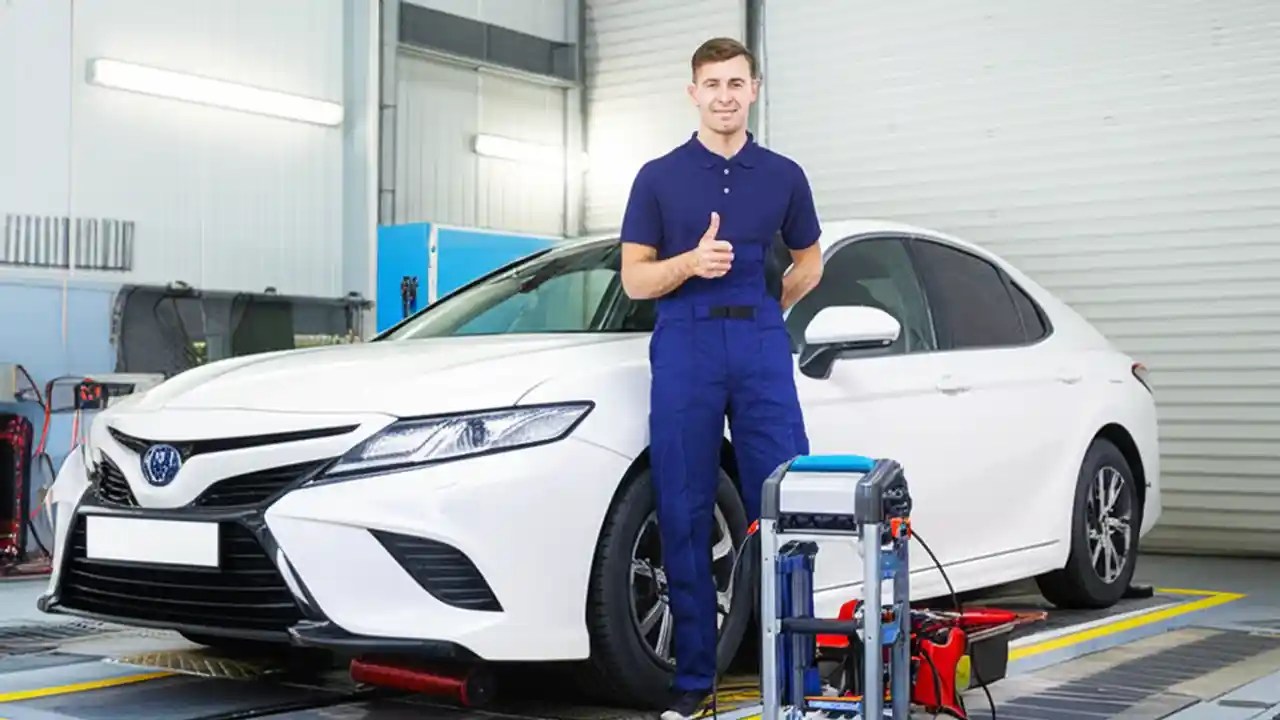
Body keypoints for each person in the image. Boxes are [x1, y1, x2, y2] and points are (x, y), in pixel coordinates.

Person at [618, 36, 824, 720]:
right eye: (713, 84)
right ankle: (693, 682)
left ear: (754, 89)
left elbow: (810, 260)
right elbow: (635, 276)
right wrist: (690, 265)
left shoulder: (784, 175)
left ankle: (796, 675)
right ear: (693, 93)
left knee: (786, 506)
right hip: (686, 341)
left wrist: (770, 308)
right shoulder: (658, 176)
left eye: (737, 82)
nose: (725, 95)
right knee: (683, 503)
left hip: (760, 342)